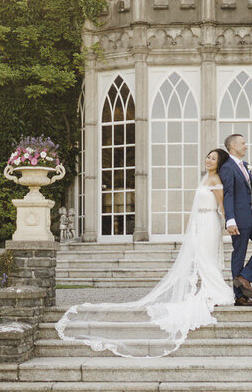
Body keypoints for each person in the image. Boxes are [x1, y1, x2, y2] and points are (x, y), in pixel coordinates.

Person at [53, 148, 234, 358]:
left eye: (213, 158)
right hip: (200, 223)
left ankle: (215, 290)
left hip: (210, 222)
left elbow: (222, 207)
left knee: (206, 258)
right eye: (208, 156)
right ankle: (211, 290)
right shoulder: (205, 179)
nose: (208, 160)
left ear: (219, 162)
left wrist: (231, 222)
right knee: (200, 259)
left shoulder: (217, 181)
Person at [219, 132, 252, 306]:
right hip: (238, 220)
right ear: (233, 146)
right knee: (239, 255)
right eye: (243, 143)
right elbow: (228, 194)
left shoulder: (246, 165)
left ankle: (244, 277)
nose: (246, 146)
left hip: (251, 218)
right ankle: (240, 297)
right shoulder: (227, 167)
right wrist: (230, 220)